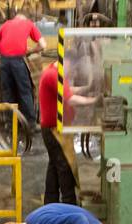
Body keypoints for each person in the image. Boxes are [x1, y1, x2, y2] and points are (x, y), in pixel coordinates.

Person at [37, 61, 95, 206]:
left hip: (54, 129)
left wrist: (87, 88)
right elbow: (70, 98)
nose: (74, 73)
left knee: (55, 166)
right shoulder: (53, 75)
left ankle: (50, 203)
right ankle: (69, 205)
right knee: (65, 168)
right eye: (74, 69)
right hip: (53, 131)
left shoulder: (55, 70)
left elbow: (68, 90)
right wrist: (94, 100)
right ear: (67, 62)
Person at [0, 11, 45, 130]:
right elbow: (43, 45)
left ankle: (9, 124)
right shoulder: (28, 23)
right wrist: (30, 51)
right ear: (24, 18)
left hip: (4, 62)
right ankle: (31, 124)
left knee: (7, 92)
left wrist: (6, 52)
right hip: (18, 61)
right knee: (25, 91)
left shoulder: (5, 24)